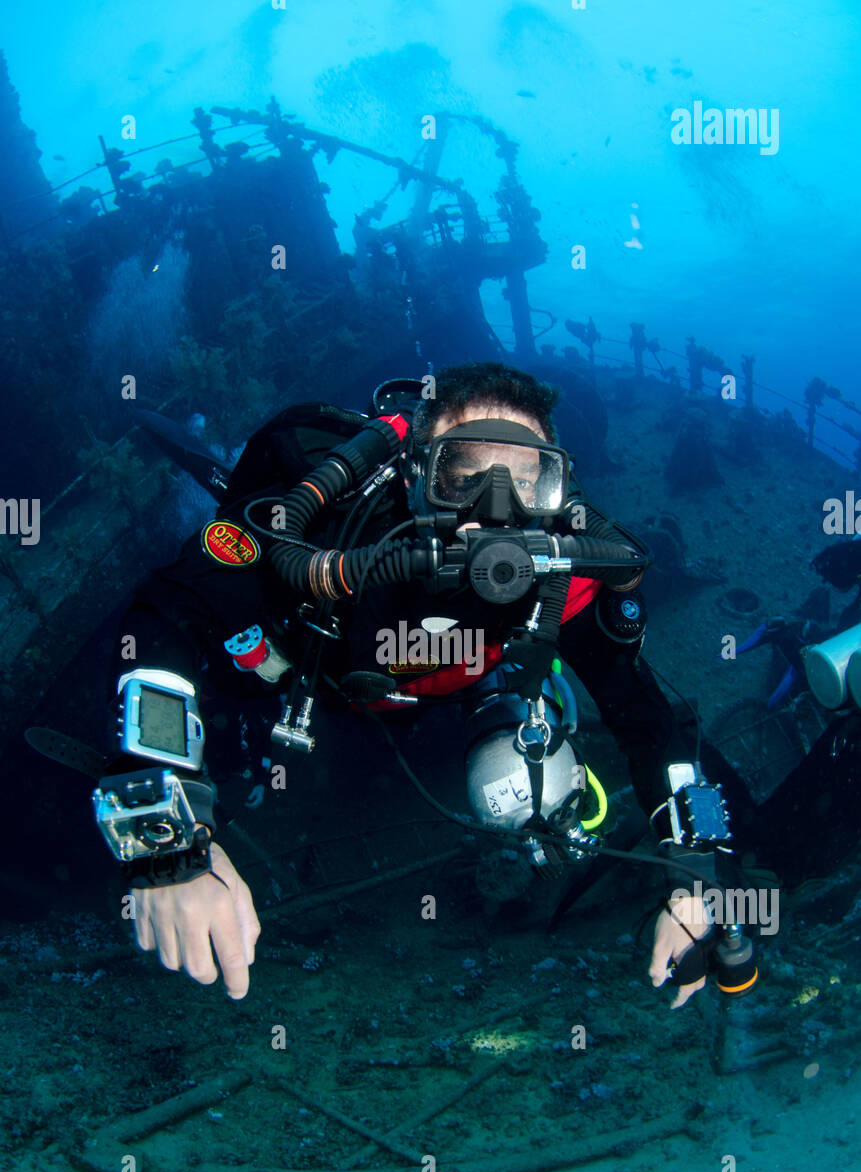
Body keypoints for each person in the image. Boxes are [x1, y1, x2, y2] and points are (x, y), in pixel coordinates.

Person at [92, 363, 750, 1007]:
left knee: (526, 777)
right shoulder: (322, 540)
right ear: (414, 477)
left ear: (560, 496)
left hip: (466, 684)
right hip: (323, 678)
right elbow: (167, 614)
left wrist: (696, 873)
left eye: (527, 483)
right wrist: (164, 838)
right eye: (461, 477)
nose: (496, 513)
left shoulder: (564, 584)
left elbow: (649, 722)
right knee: (240, 680)